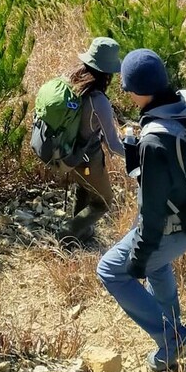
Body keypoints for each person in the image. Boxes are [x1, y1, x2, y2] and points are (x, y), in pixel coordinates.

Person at [96, 48, 186, 372]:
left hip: (171, 227)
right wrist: (135, 152)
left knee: (111, 270)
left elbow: (153, 217)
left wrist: (138, 260)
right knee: (158, 267)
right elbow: (164, 174)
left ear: (138, 91)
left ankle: (173, 340)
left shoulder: (156, 139)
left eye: (128, 89)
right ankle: (172, 324)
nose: (127, 95)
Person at [61, 37, 125, 242]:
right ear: (108, 73)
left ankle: (81, 232)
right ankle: (67, 233)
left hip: (66, 152)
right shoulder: (99, 101)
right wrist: (139, 152)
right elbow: (113, 145)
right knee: (104, 201)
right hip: (87, 158)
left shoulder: (69, 82)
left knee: (85, 187)